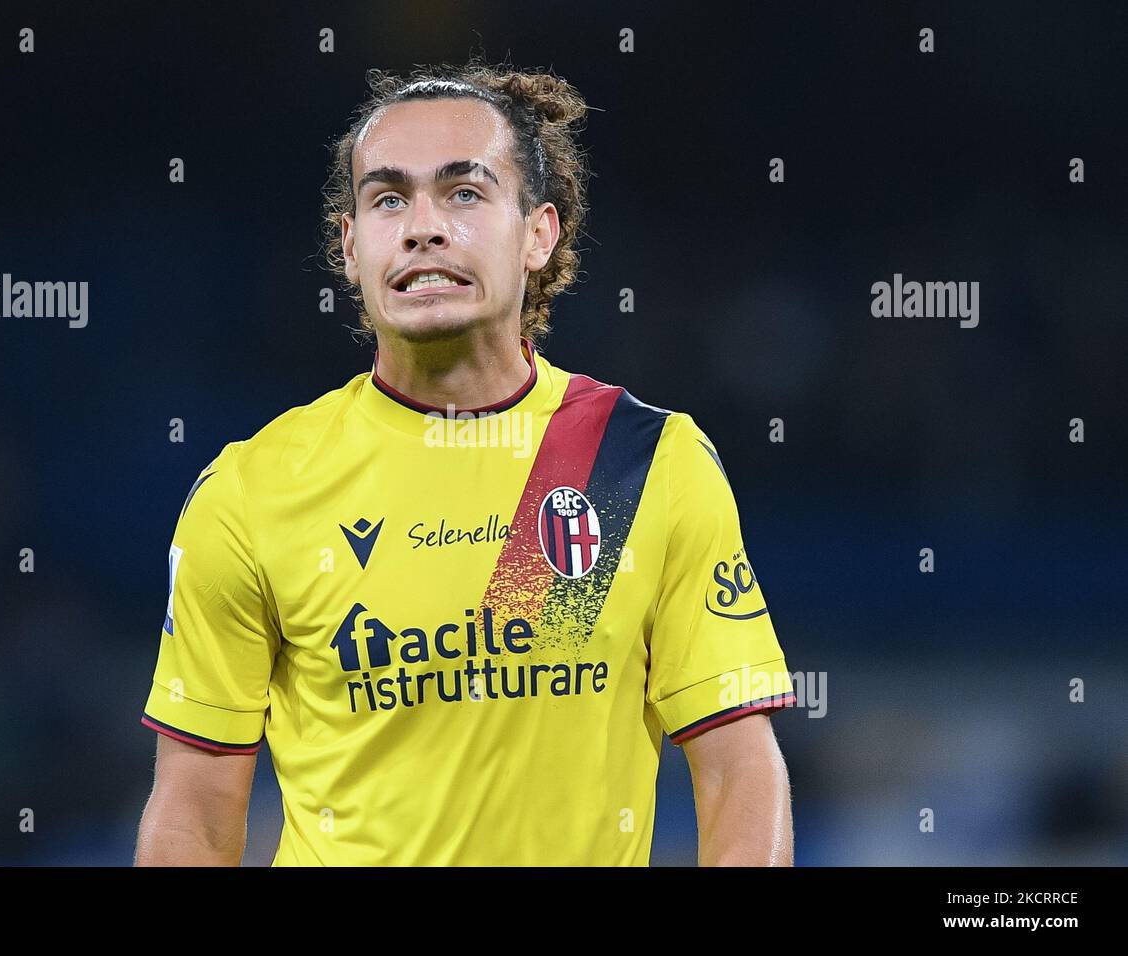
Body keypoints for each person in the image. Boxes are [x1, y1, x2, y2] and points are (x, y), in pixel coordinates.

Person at [135, 59, 796, 866]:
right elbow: (195, 808)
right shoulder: (253, 488)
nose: (422, 225)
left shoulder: (644, 463)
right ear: (350, 249)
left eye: (464, 193)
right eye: (387, 199)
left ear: (539, 234)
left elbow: (737, 770)